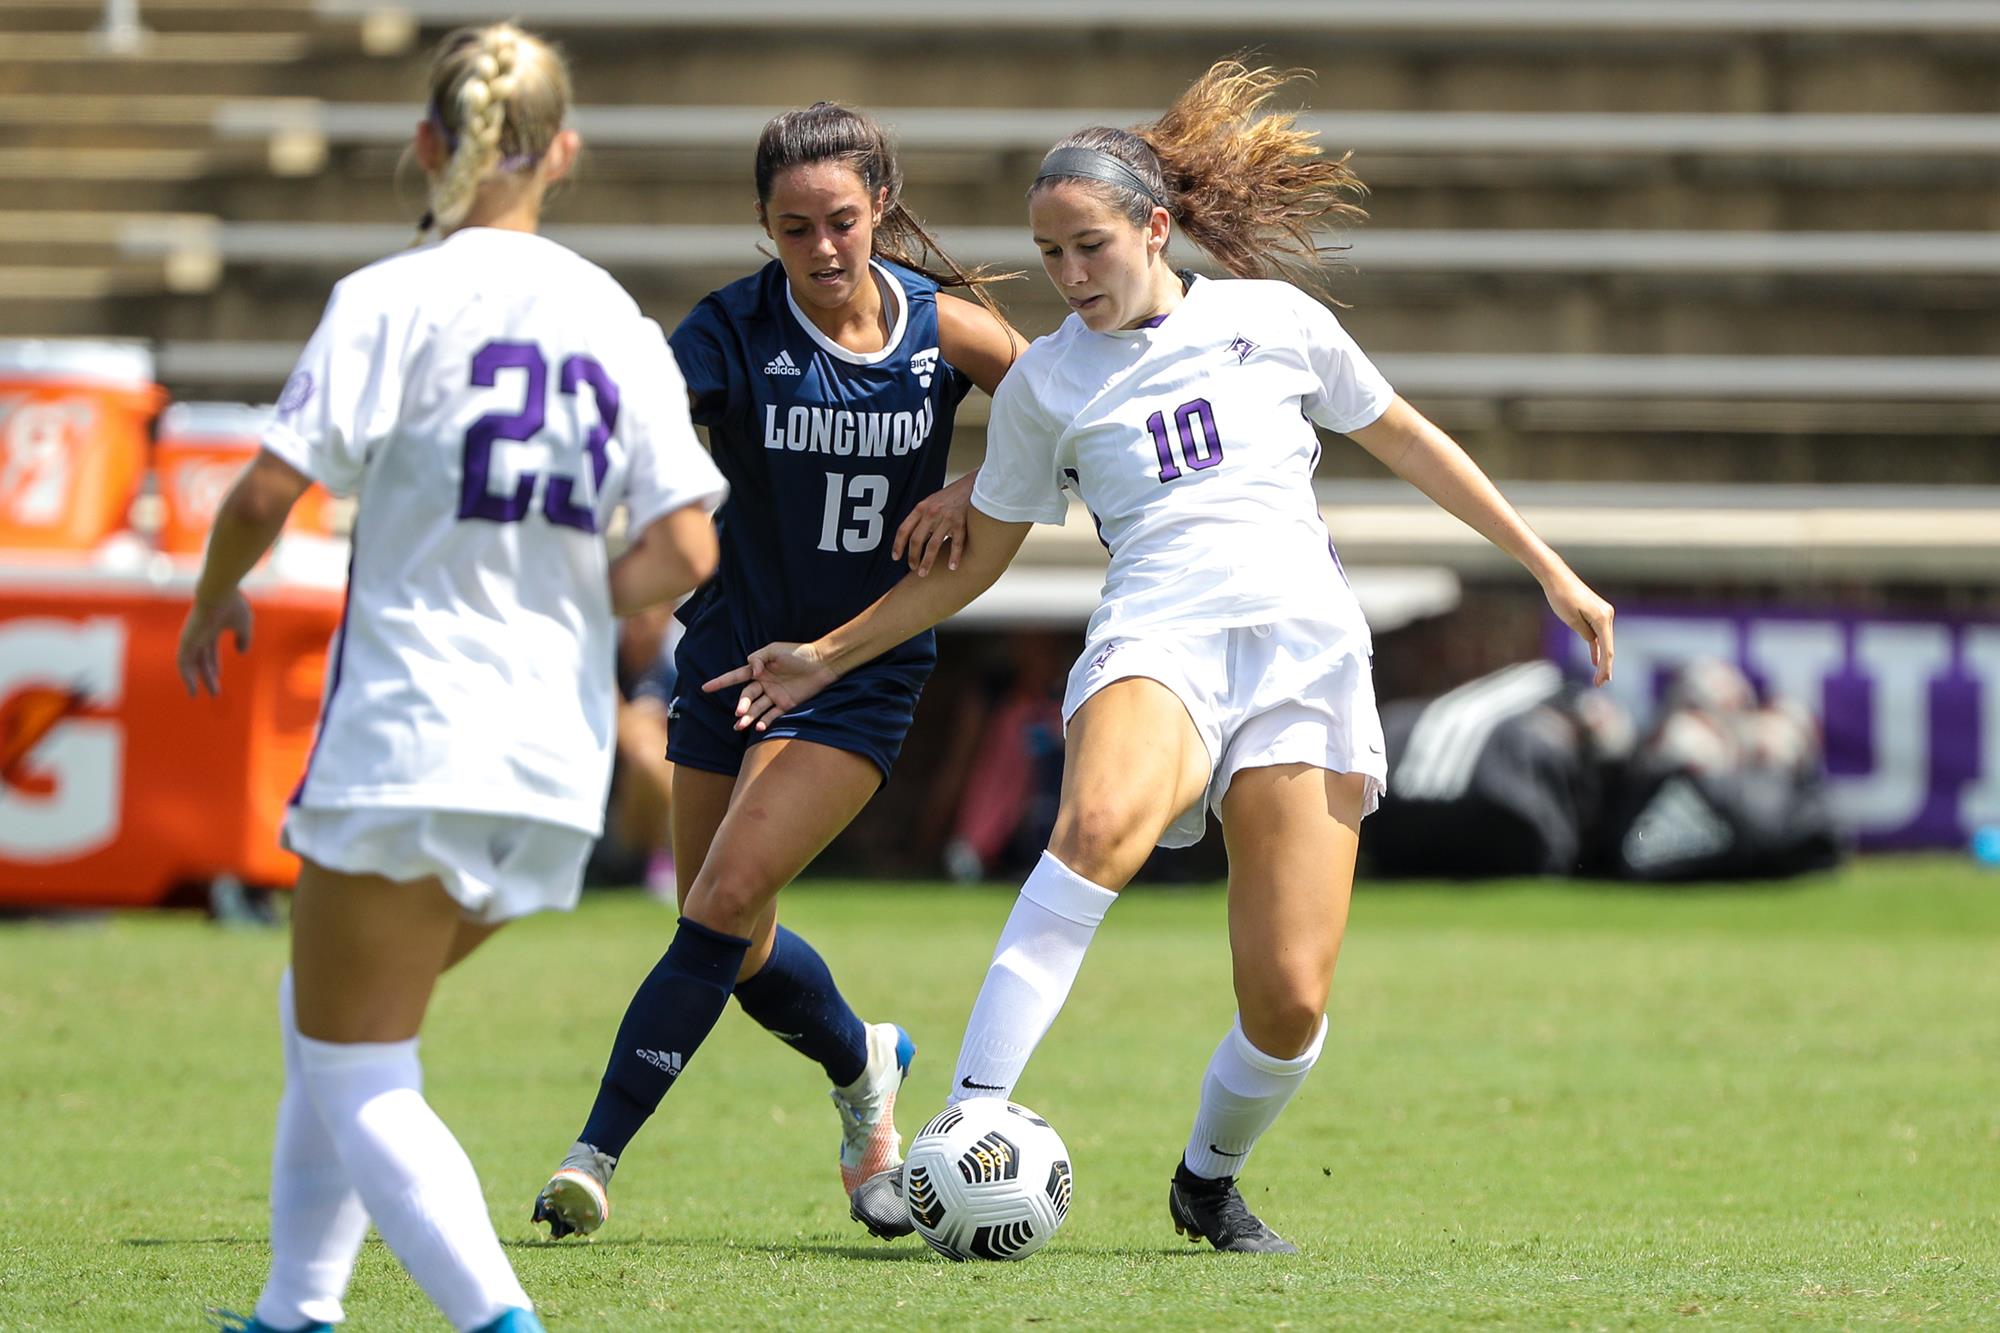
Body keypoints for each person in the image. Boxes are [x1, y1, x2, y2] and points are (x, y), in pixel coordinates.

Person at [710, 60, 1616, 1253]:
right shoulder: (1043, 382)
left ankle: (1207, 1178)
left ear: (1152, 226)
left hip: (1303, 658)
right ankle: (969, 1119)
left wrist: (1546, 565)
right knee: (1094, 834)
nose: (1071, 278)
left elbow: (1404, 437)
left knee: (1288, 1003)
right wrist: (830, 652)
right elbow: (977, 558)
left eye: (1089, 247)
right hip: (1157, 638)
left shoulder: (1272, 321)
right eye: (1050, 257)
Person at [182, 24, 726, 1332]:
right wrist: (561, 610)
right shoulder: (613, 314)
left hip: (412, 728)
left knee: (354, 1053)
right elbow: (690, 544)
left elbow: (266, 487)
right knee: (322, 1011)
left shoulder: (391, 295)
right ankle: (294, 1309)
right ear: (568, 154)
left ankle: (498, 1319)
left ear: (429, 146)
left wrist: (212, 600)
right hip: (553, 756)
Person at [531, 101, 1024, 1240]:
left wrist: (977, 482)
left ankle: (591, 1154)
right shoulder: (727, 331)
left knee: (719, 902)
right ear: (763, 225)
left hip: (858, 671)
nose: (822, 249)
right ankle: (864, 1067)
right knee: (733, 934)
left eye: (841, 221)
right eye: (793, 227)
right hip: (730, 658)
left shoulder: (944, 332)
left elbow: (1056, 404)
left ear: (880, 209)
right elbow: (638, 423)